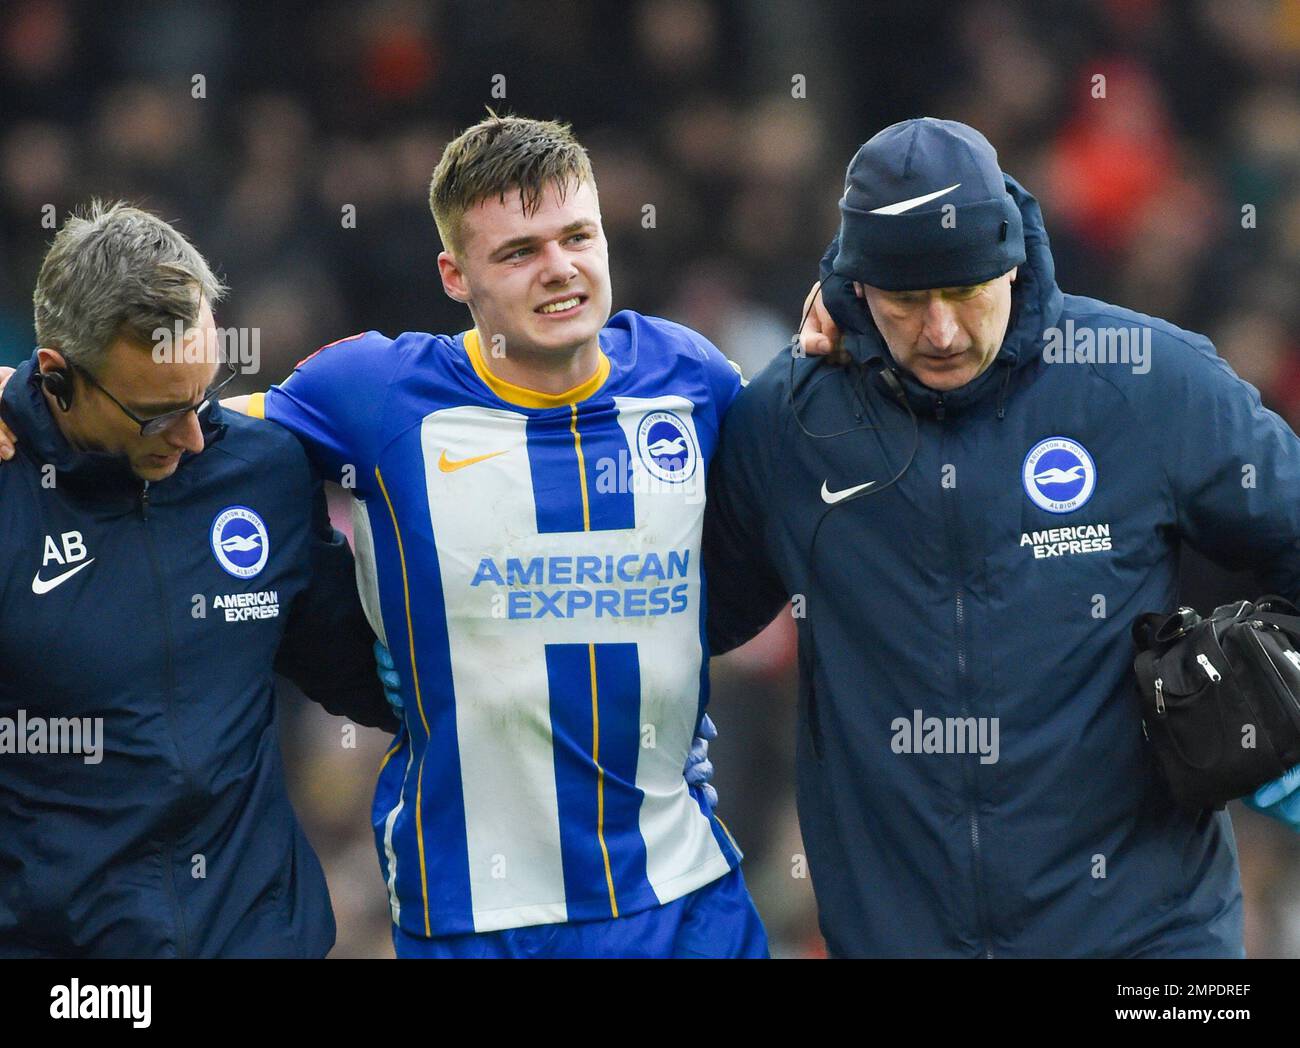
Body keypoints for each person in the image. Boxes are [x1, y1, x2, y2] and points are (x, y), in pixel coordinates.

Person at [704, 117, 1300, 958]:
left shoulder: (1146, 379)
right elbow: (689, 619)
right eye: (907, 301)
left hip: (1153, 947)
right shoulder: (790, 423)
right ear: (855, 286)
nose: (941, 332)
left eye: (967, 291)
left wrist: (1274, 683)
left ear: (1015, 257)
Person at [220, 115, 766, 958]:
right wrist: (32, 403)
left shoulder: (690, 379)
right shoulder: (374, 394)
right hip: (476, 916)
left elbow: (805, 452)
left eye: (577, 236)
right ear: (454, 273)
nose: (560, 269)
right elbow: (186, 439)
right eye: (518, 252)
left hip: (686, 900)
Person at [0, 202, 393, 957]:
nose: (191, 437)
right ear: (57, 376)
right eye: (155, 415)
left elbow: (371, 675)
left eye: (204, 396)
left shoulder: (262, 473)